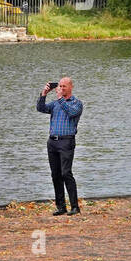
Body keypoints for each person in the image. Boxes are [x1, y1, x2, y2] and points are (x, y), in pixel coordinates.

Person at [37, 77, 83, 215]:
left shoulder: (76, 103)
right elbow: (41, 108)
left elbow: (71, 112)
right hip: (52, 142)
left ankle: (75, 207)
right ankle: (61, 207)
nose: (61, 89)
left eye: (64, 86)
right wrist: (44, 94)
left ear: (70, 87)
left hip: (66, 142)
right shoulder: (56, 103)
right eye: (60, 86)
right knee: (55, 175)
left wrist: (60, 98)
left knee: (66, 173)